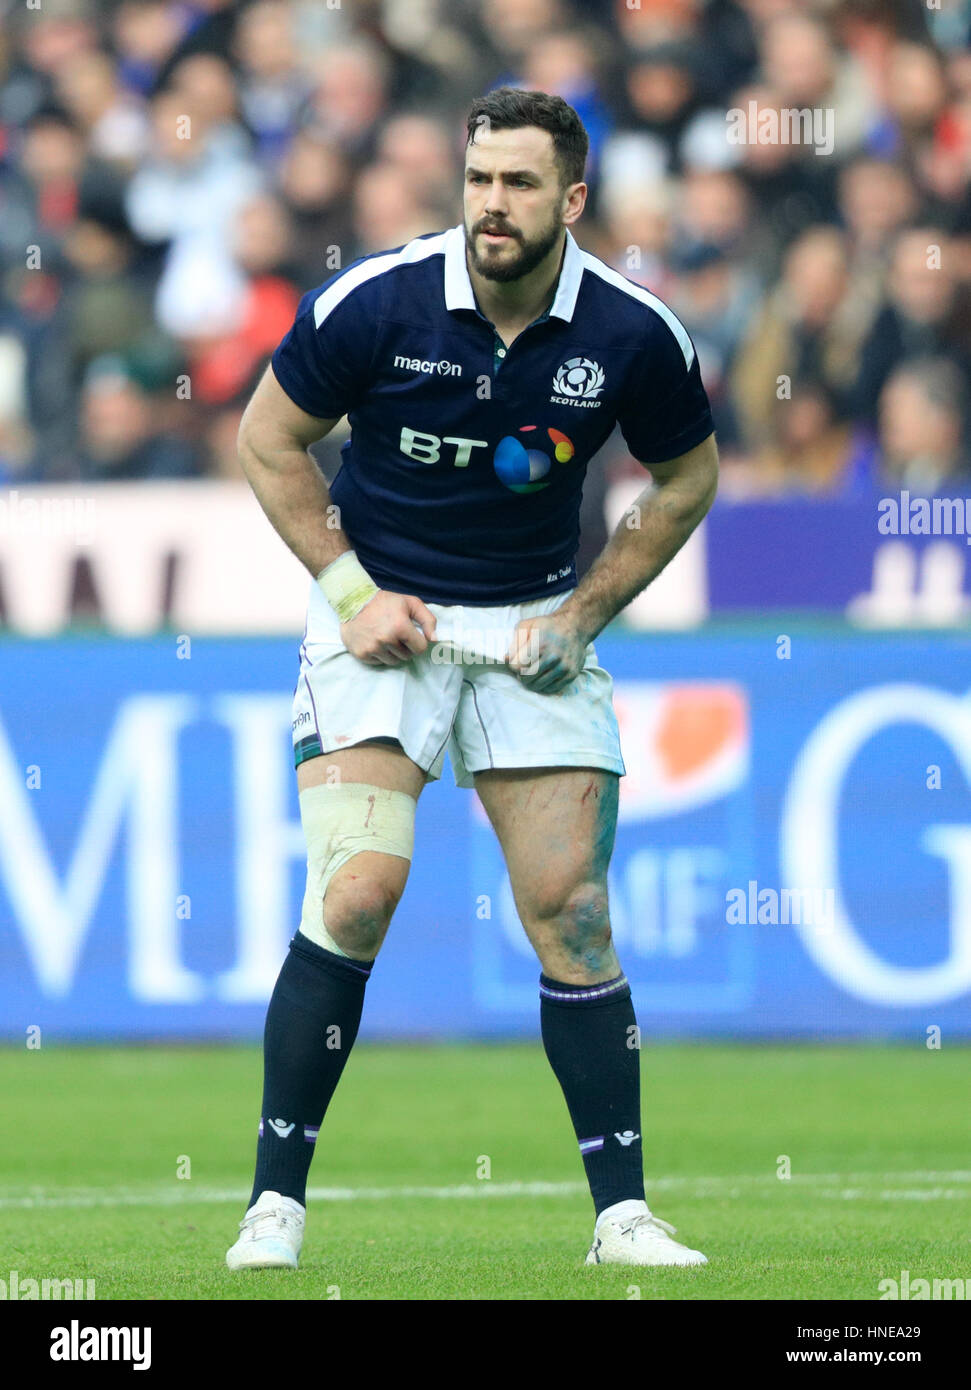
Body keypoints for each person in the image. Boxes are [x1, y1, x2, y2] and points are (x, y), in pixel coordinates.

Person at [227, 88, 718, 1272]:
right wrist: (352, 595)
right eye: (479, 179)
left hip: (530, 630)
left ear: (572, 199)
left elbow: (687, 478)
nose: (491, 205)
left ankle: (620, 1219)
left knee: (576, 912)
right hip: (381, 618)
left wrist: (586, 609)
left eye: (518, 184)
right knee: (357, 892)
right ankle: (273, 1205)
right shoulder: (375, 300)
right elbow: (264, 438)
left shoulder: (631, 333)